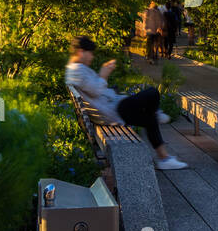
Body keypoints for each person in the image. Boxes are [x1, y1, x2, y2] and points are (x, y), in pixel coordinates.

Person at [66, 37, 187, 169]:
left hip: (113, 108)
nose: (92, 56)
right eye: (90, 53)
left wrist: (105, 78)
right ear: (80, 52)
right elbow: (95, 90)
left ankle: (164, 159)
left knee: (150, 118)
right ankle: (157, 118)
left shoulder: (77, 69)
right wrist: (103, 75)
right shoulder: (76, 71)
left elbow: (96, 90)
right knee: (152, 92)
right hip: (114, 111)